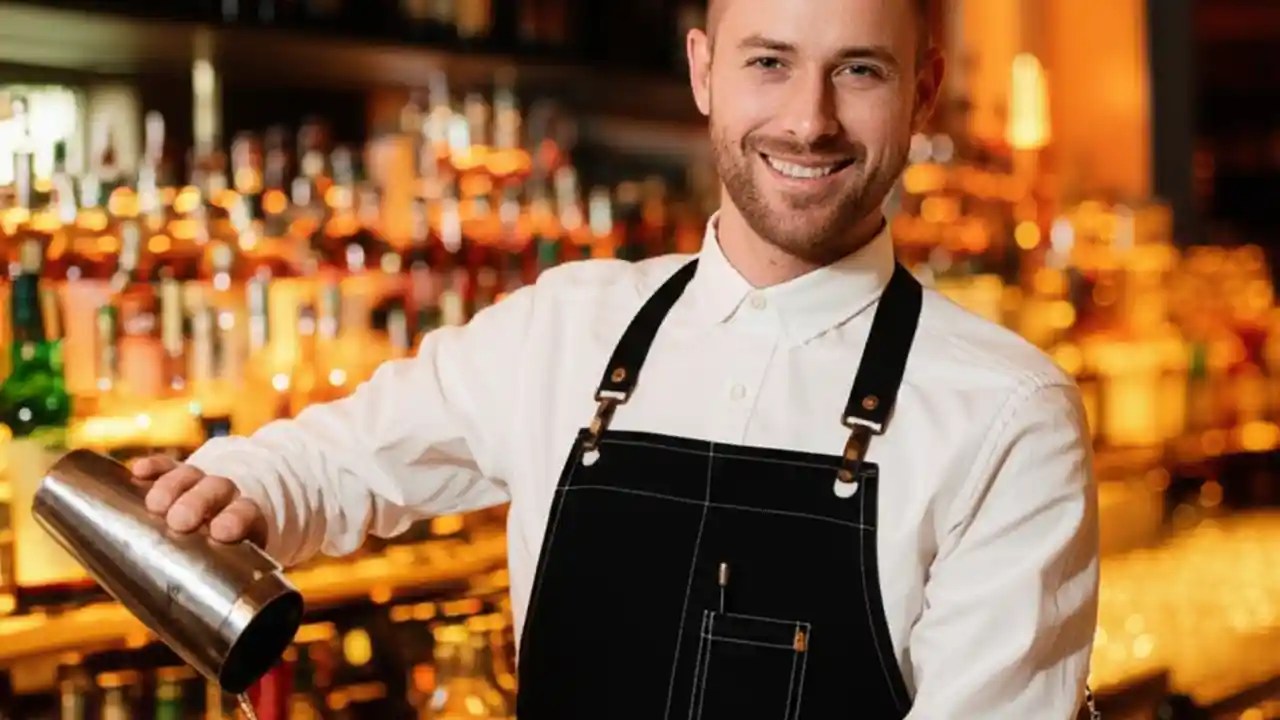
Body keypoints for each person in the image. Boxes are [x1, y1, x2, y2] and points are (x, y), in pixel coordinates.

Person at [135, 0, 1100, 717]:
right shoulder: (566, 329)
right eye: (769, 61)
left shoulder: (1006, 414)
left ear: (922, 90)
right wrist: (233, 487)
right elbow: (328, 466)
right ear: (703, 72)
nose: (810, 120)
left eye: (859, 71)